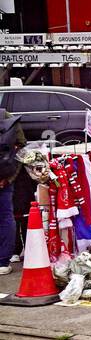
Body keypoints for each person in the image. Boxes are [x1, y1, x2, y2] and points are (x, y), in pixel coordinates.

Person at [0, 107, 27, 275]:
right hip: (3, 178)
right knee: (5, 217)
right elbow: (21, 149)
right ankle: (3, 261)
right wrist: (8, 178)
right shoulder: (6, 117)